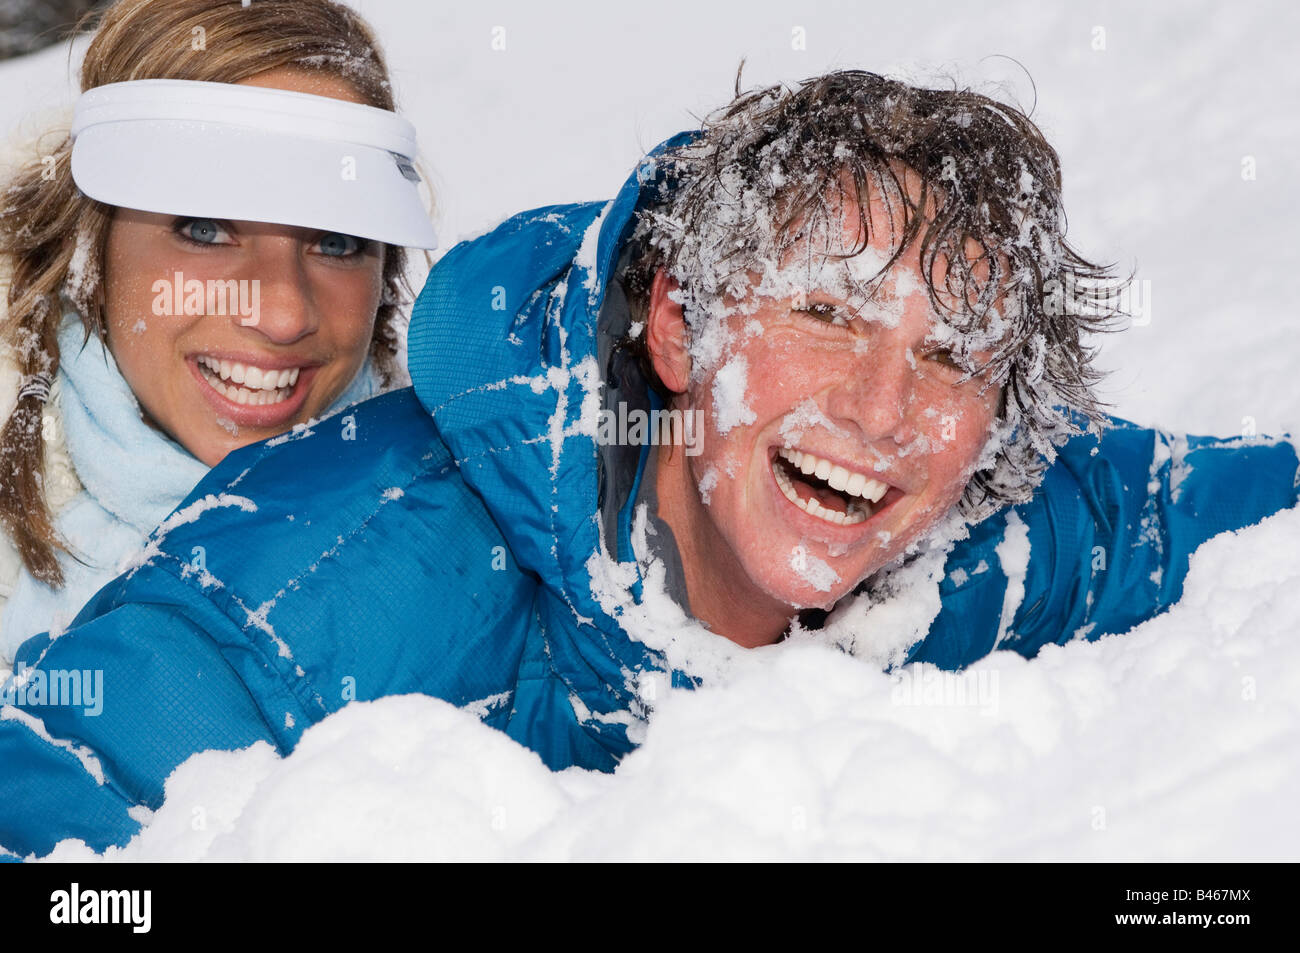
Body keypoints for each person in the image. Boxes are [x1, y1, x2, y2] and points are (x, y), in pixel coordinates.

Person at [1, 70, 1295, 858]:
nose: (885, 408)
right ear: (677, 326)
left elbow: (1183, 507)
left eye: (953, 358)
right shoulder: (342, 575)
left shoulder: (973, 525)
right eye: (827, 314)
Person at [0, 0, 437, 673]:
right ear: (94, 246)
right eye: (205, 229)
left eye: (337, 240)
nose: (284, 313)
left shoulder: (461, 539)